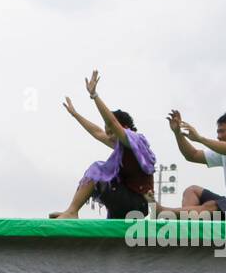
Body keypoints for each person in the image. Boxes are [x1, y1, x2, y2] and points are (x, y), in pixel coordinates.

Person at [50, 70, 156, 220]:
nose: (109, 137)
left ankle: (72, 211)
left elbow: (112, 122)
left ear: (123, 128)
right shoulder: (122, 145)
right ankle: (72, 211)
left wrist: (94, 96)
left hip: (137, 204)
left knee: (98, 170)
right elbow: (97, 132)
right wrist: (75, 114)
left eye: (112, 132)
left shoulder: (133, 141)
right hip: (129, 203)